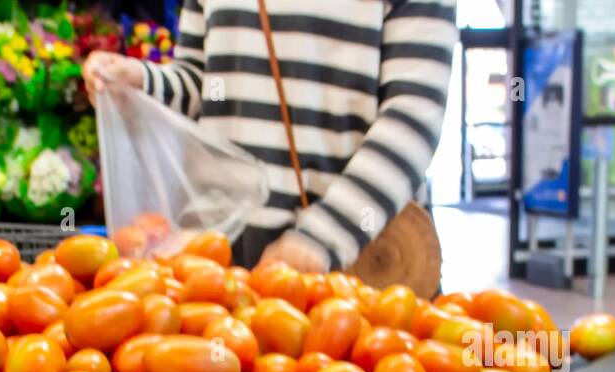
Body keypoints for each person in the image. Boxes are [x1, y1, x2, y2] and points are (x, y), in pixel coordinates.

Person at [83, 1, 457, 271]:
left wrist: (320, 240)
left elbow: (413, 115)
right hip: (225, 259)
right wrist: (140, 83)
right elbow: (206, 83)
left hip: (351, 261)